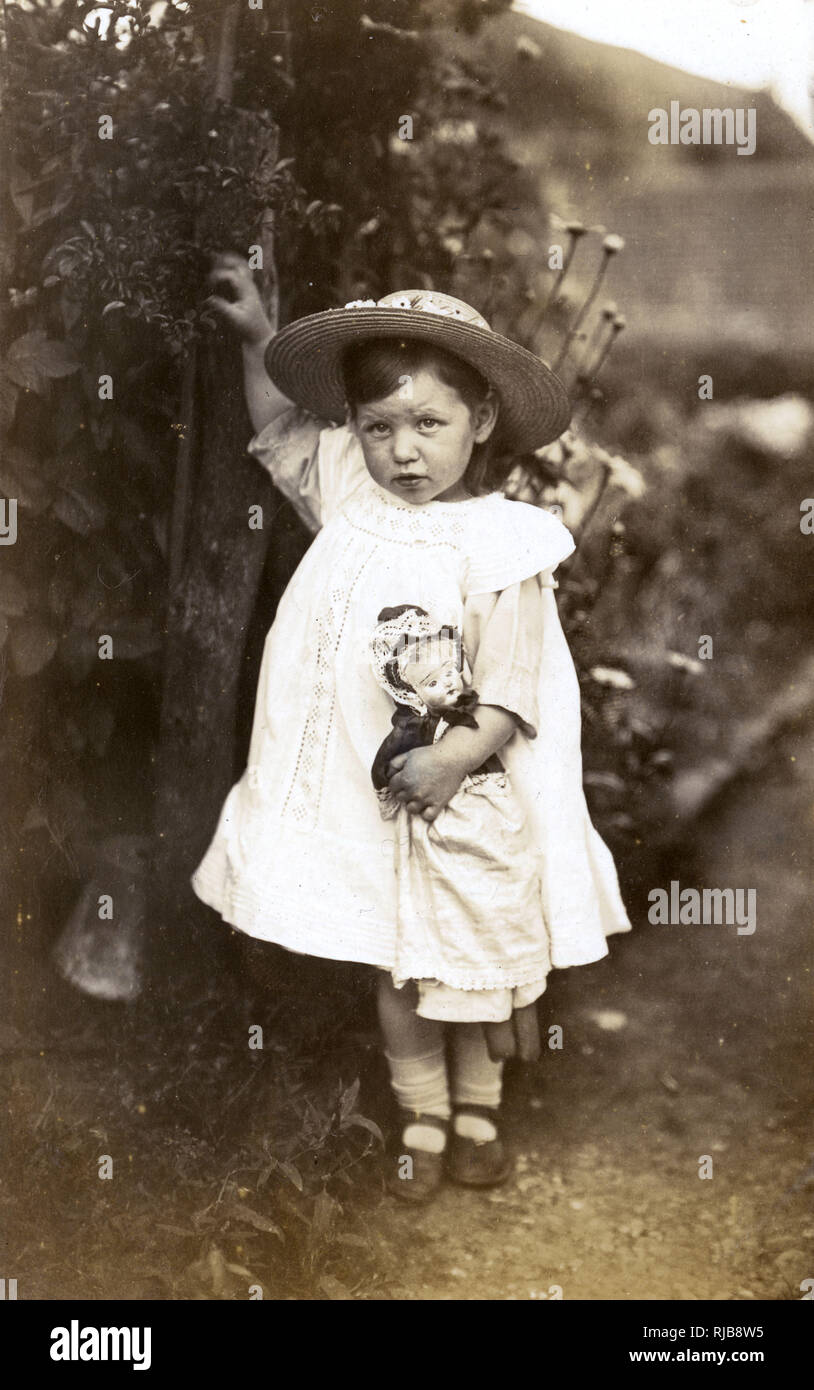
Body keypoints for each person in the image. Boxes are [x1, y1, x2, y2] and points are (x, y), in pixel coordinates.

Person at [191, 255, 631, 1202]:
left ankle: (479, 1109)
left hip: (460, 798)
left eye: (430, 425)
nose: (406, 453)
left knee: (476, 957)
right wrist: (255, 330)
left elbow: (514, 680)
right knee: (398, 961)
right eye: (379, 427)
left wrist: (458, 756)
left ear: (479, 424)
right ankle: (421, 1118)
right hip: (367, 786)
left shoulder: (501, 540)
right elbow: (277, 425)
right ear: (355, 432)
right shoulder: (352, 494)